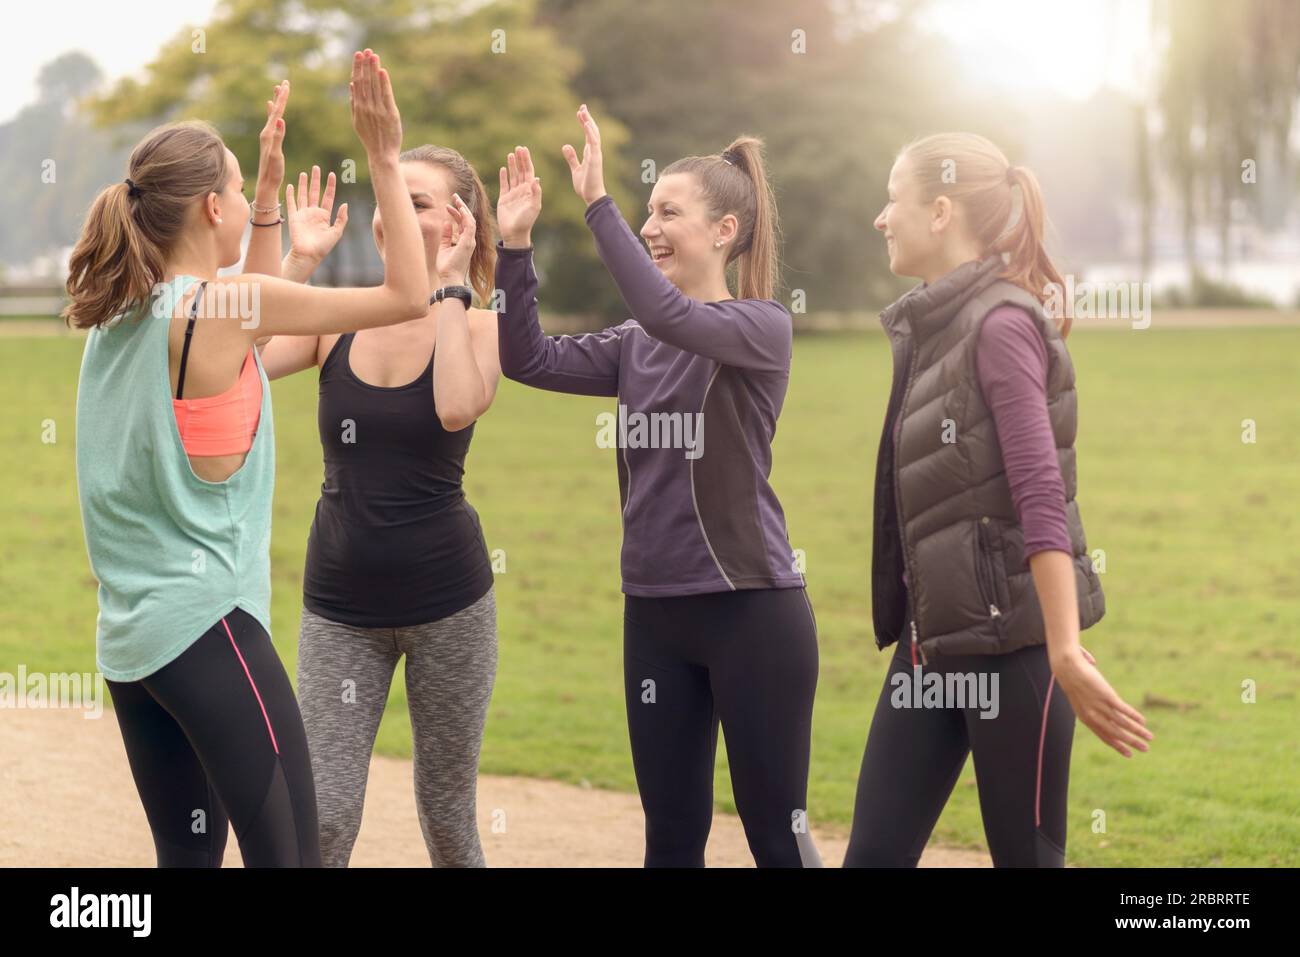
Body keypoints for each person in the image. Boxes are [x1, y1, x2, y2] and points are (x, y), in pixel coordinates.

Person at [70, 50, 439, 866]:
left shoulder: (121, 316)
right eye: (235, 188)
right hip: (211, 628)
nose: (244, 197)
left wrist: (267, 202)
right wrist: (383, 155)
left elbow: (242, 333)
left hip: (136, 646)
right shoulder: (217, 309)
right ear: (209, 207)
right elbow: (407, 296)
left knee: (187, 860)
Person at [492, 107, 821, 867]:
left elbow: (663, 308)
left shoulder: (760, 327)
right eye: (646, 214)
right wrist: (514, 247)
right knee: (670, 842)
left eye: (668, 212)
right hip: (655, 615)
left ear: (725, 231)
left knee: (778, 834)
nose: (650, 227)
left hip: (753, 613)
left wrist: (598, 202)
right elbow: (527, 359)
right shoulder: (635, 345)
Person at [842, 132, 1153, 868]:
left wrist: (1065, 647)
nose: (882, 218)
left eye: (894, 200)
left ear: (942, 210)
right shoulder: (936, 323)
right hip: (932, 647)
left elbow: (1040, 489)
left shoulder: (1001, 323)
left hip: (1013, 655)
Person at [256, 144, 500, 867]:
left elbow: (456, 405)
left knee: (449, 820)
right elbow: (237, 359)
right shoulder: (337, 316)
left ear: (459, 222)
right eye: (388, 193)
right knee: (323, 818)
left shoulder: (483, 327)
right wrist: (297, 262)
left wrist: (452, 287)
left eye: (416, 198)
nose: (391, 209)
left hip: (450, 603)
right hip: (338, 605)